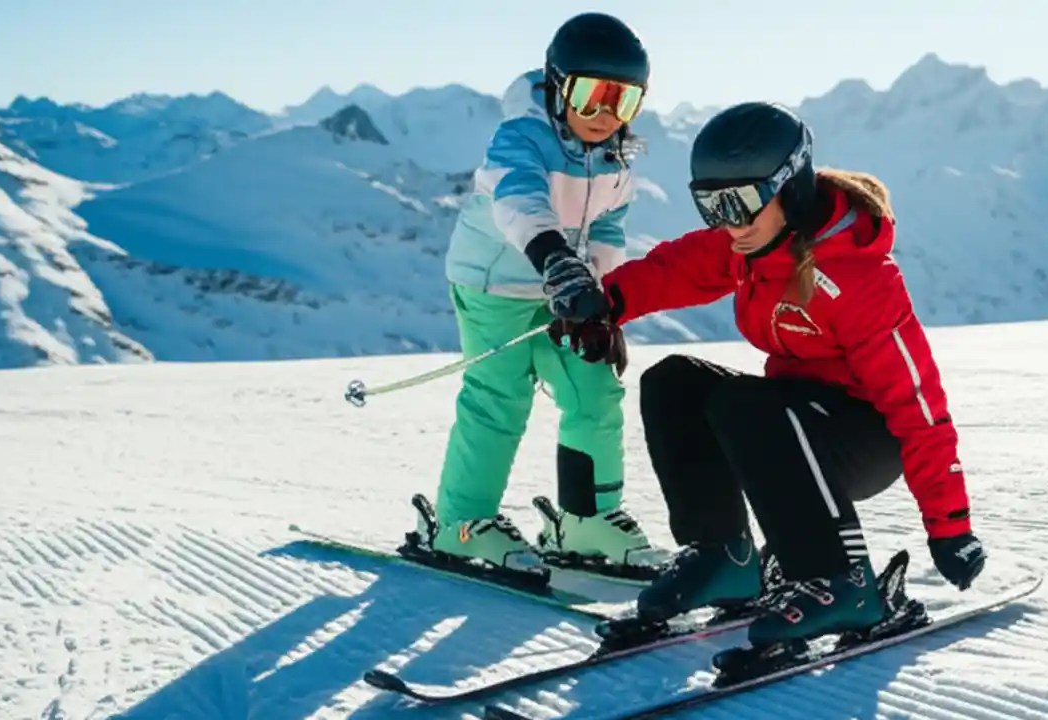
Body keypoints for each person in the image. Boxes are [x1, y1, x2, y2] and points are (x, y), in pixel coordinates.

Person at [562, 102, 987, 645]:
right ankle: (724, 556)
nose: (727, 222)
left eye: (739, 203)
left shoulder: (860, 279)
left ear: (792, 189)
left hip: (867, 440)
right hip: (792, 417)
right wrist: (606, 304)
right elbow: (680, 268)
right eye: (711, 205)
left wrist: (950, 526)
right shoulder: (753, 243)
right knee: (673, 381)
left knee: (746, 403)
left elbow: (918, 406)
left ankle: (840, 580)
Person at [422, 12, 665, 577]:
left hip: (564, 291)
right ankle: (462, 524)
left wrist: (601, 300)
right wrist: (557, 263)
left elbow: (607, 228)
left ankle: (585, 517)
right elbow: (518, 201)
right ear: (558, 87)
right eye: (591, 95)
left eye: (623, 101)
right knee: (499, 398)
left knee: (595, 388)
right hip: (495, 284)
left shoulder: (613, 158)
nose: (606, 114)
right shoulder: (521, 138)